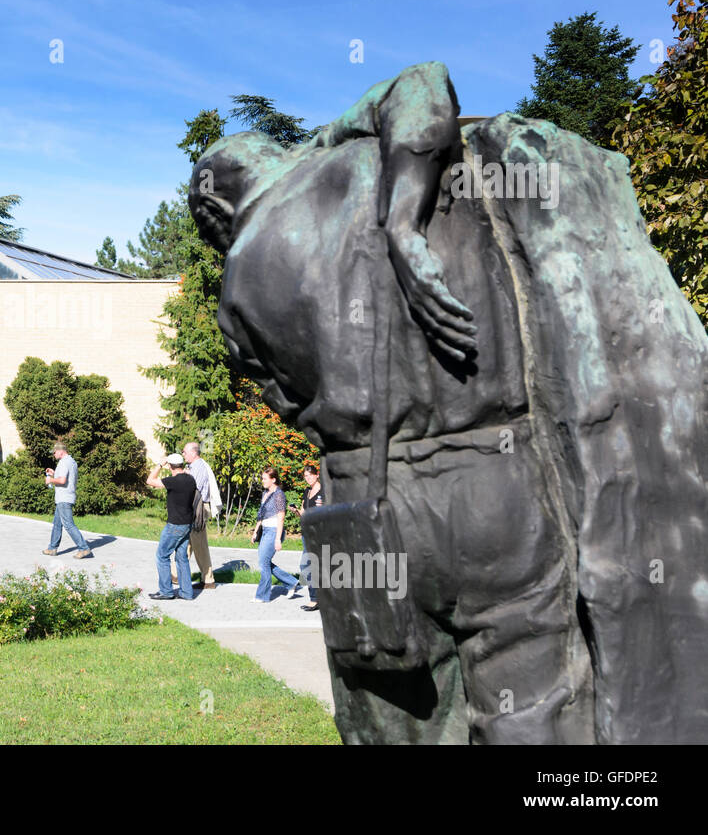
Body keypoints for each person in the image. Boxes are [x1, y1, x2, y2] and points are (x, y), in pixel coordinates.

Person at [189, 60, 708, 743]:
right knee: (534, 700)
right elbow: (426, 83)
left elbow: (284, 399)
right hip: (488, 481)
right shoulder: (375, 166)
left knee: (397, 716)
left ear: (217, 205)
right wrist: (403, 224)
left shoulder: (238, 281)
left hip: (360, 507)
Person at [146, 453, 197, 600]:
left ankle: (166, 591)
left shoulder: (173, 481)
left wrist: (159, 465)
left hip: (174, 525)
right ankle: (187, 592)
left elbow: (150, 480)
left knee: (162, 556)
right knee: (182, 557)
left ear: (170, 466)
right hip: (187, 524)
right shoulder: (190, 479)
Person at [251, 466, 301, 602]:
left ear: (273, 480)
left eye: (265, 479)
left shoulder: (279, 494)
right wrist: (255, 531)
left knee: (263, 563)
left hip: (274, 531)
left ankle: (262, 596)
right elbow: (261, 515)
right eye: (262, 478)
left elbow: (281, 517)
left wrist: (278, 539)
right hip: (265, 531)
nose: (262, 481)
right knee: (265, 562)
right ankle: (291, 582)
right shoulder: (265, 493)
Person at [41, 441, 91, 558]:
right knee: (57, 524)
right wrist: (54, 473)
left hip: (64, 498)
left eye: (54, 452)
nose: (53, 454)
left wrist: (50, 480)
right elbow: (65, 478)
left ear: (60, 451)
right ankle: (52, 548)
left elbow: (62, 481)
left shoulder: (63, 463)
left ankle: (84, 548)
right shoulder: (71, 461)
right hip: (65, 497)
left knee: (68, 524)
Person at [182, 441, 220, 589]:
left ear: (193, 452)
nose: (183, 454)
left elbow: (193, 488)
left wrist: (184, 477)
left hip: (198, 507)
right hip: (193, 506)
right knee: (186, 542)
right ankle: (176, 575)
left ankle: (208, 580)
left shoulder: (198, 467)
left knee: (199, 545)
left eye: (185, 452)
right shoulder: (193, 467)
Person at [289, 464, 324, 610]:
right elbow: (303, 513)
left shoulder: (324, 492)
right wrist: (296, 511)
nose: (308, 478)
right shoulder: (307, 492)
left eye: (310, 475)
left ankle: (316, 599)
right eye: (305, 476)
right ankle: (317, 598)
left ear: (317, 475)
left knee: (308, 565)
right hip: (307, 533)